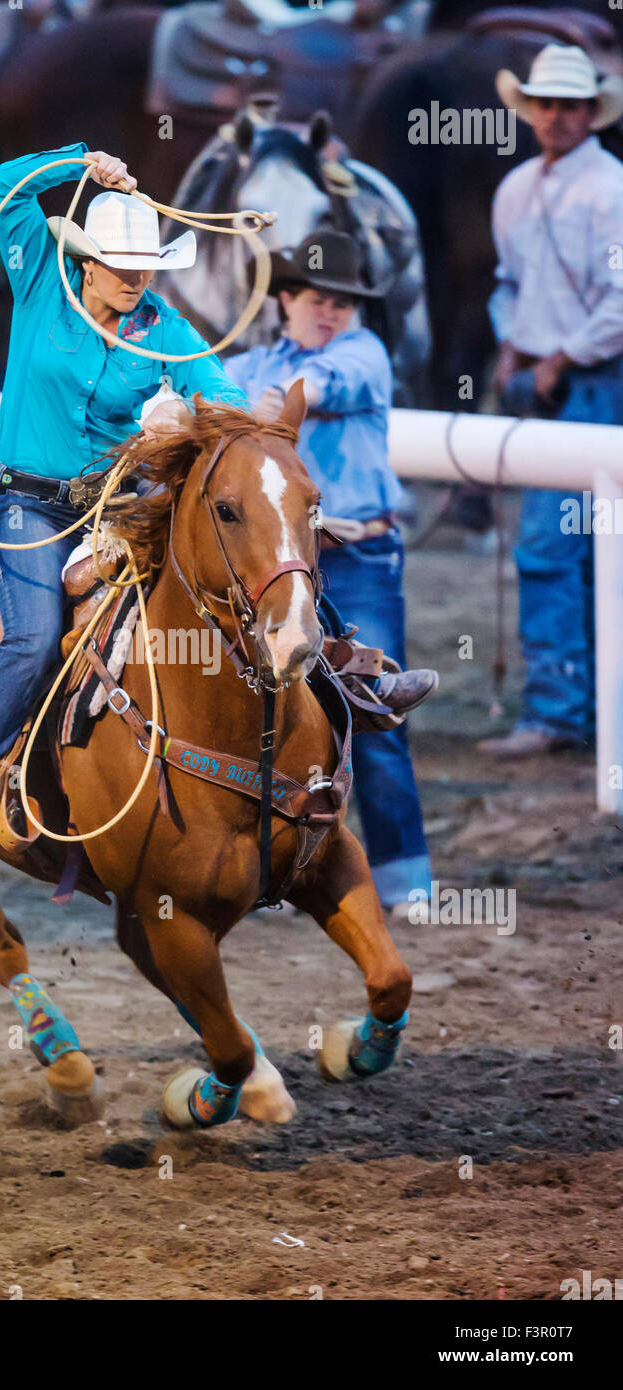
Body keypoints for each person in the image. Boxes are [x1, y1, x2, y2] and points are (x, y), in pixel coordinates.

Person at [0, 144, 437, 873]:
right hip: (29, 507)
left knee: (247, 555)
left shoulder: (164, 329)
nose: (135, 279)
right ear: (86, 261)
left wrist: (227, 421)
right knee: (32, 639)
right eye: (122, 267)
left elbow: (215, 388)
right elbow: (7, 184)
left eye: (146, 267)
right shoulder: (39, 282)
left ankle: (352, 673)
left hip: (118, 503)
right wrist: (82, 163)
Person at [224, 230, 435, 912]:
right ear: (286, 298)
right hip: (289, 563)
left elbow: (321, 386)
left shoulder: (360, 354)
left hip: (355, 558)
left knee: (365, 709)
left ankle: (404, 877)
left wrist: (265, 403)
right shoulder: (256, 363)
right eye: (318, 298)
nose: (331, 312)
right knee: (277, 714)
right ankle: (289, 868)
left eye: (342, 302)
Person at [479, 44, 623, 759]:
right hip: (542, 378)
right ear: (530, 109)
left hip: (594, 382)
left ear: (591, 112)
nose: (557, 117)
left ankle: (559, 710)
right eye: (546, 104)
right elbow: (507, 282)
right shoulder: (514, 189)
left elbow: (621, 300)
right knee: (580, 549)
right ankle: (585, 707)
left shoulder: (611, 188)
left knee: (549, 547)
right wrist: (511, 345)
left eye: (570, 105)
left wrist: (558, 356)